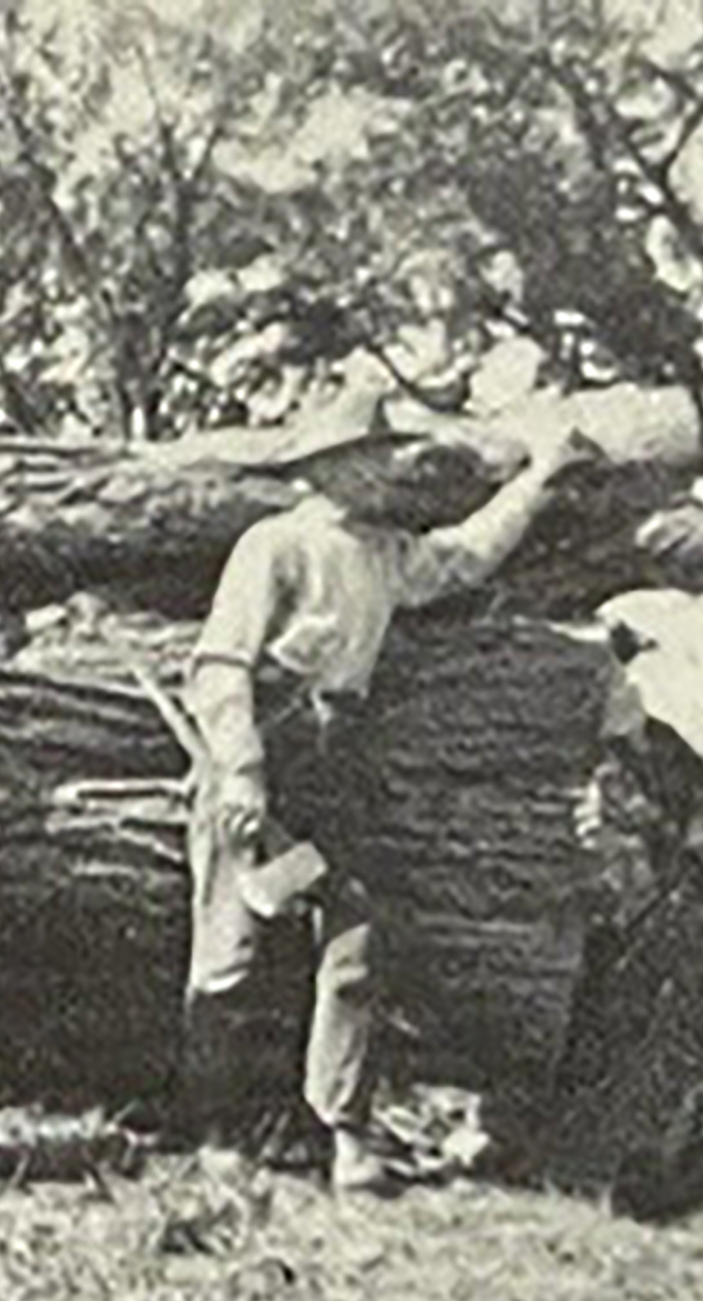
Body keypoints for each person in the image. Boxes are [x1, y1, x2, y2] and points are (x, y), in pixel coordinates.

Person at [180, 385, 603, 1192]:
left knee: (358, 943)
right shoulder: (275, 546)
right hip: (262, 753)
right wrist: (240, 772)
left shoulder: (382, 553)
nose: (387, 470)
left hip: (337, 763)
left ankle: (344, 1133)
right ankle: (218, 1134)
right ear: (332, 467)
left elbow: (466, 556)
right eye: (372, 457)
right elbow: (220, 667)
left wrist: (539, 480)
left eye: (386, 455)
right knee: (228, 954)